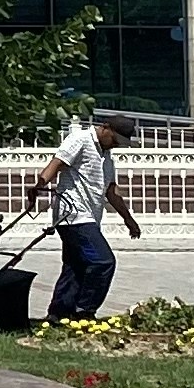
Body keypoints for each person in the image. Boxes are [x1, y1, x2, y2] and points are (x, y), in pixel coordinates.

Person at [34, 111, 142, 324]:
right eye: (115, 140)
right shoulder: (80, 139)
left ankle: (58, 314)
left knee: (76, 266)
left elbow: (111, 192)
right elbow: (56, 163)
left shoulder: (106, 157)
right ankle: (84, 311)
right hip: (72, 214)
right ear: (105, 128)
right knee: (103, 261)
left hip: (88, 217)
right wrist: (39, 185)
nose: (116, 145)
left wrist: (129, 220)